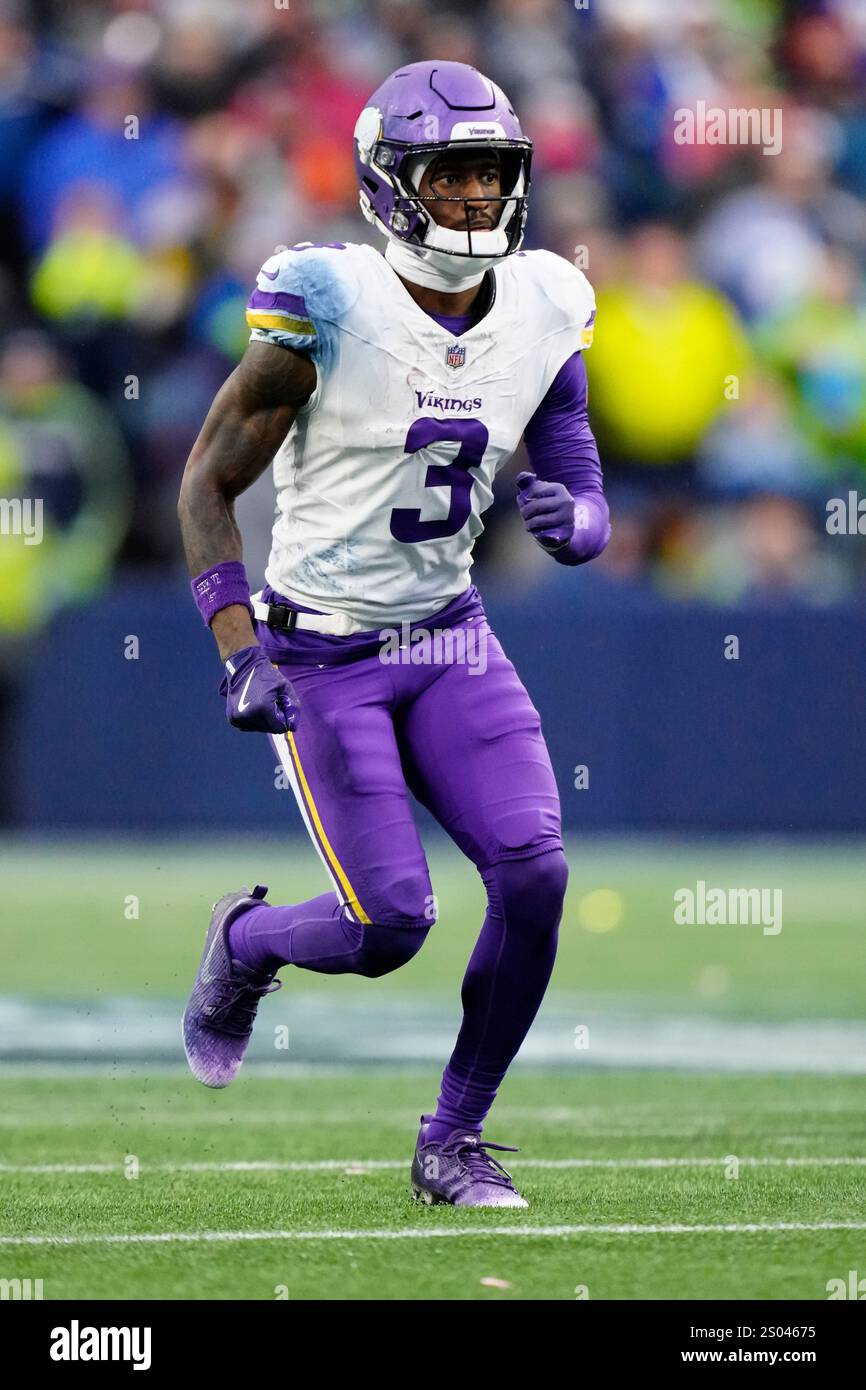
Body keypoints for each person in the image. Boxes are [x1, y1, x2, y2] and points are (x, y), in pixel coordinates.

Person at [177, 60, 610, 1208]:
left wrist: (584, 518)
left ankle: (452, 1137)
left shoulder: (546, 300)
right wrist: (236, 646)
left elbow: (572, 459)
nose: (475, 199)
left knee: (534, 875)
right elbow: (205, 483)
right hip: (321, 649)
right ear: (388, 184)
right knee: (387, 926)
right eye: (450, 174)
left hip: (449, 635)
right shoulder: (326, 298)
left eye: (490, 175)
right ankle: (249, 942)